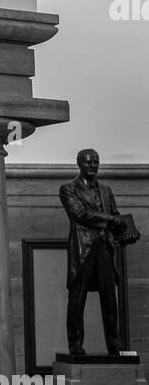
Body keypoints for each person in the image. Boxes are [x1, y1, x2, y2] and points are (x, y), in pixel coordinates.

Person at [59, 148, 127, 357]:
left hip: (105, 247)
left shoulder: (106, 190)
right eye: (89, 162)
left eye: (96, 162)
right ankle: (75, 345)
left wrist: (122, 225)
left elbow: (114, 214)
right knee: (77, 298)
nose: (93, 166)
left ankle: (114, 347)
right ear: (79, 163)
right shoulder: (69, 188)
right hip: (83, 248)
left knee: (110, 300)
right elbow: (79, 214)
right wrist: (110, 220)